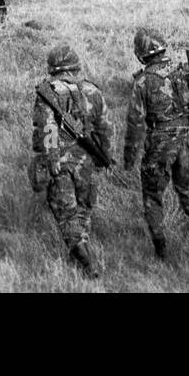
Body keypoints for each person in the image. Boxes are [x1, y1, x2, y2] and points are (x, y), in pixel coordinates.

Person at [122, 27, 189, 260]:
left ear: (141, 54)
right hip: (188, 142)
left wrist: (129, 157)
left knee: (152, 197)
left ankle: (161, 252)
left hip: (160, 144)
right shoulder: (186, 71)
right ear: (163, 48)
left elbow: (135, 123)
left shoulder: (142, 83)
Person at [29, 44, 113, 279]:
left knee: (66, 215)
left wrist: (53, 156)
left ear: (53, 68)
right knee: (84, 211)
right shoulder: (93, 91)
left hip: (61, 164)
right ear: (75, 66)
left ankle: (86, 264)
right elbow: (105, 129)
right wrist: (103, 157)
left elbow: (47, 127)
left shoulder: (48, 92)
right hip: (86, 161)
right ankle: (80, 254)